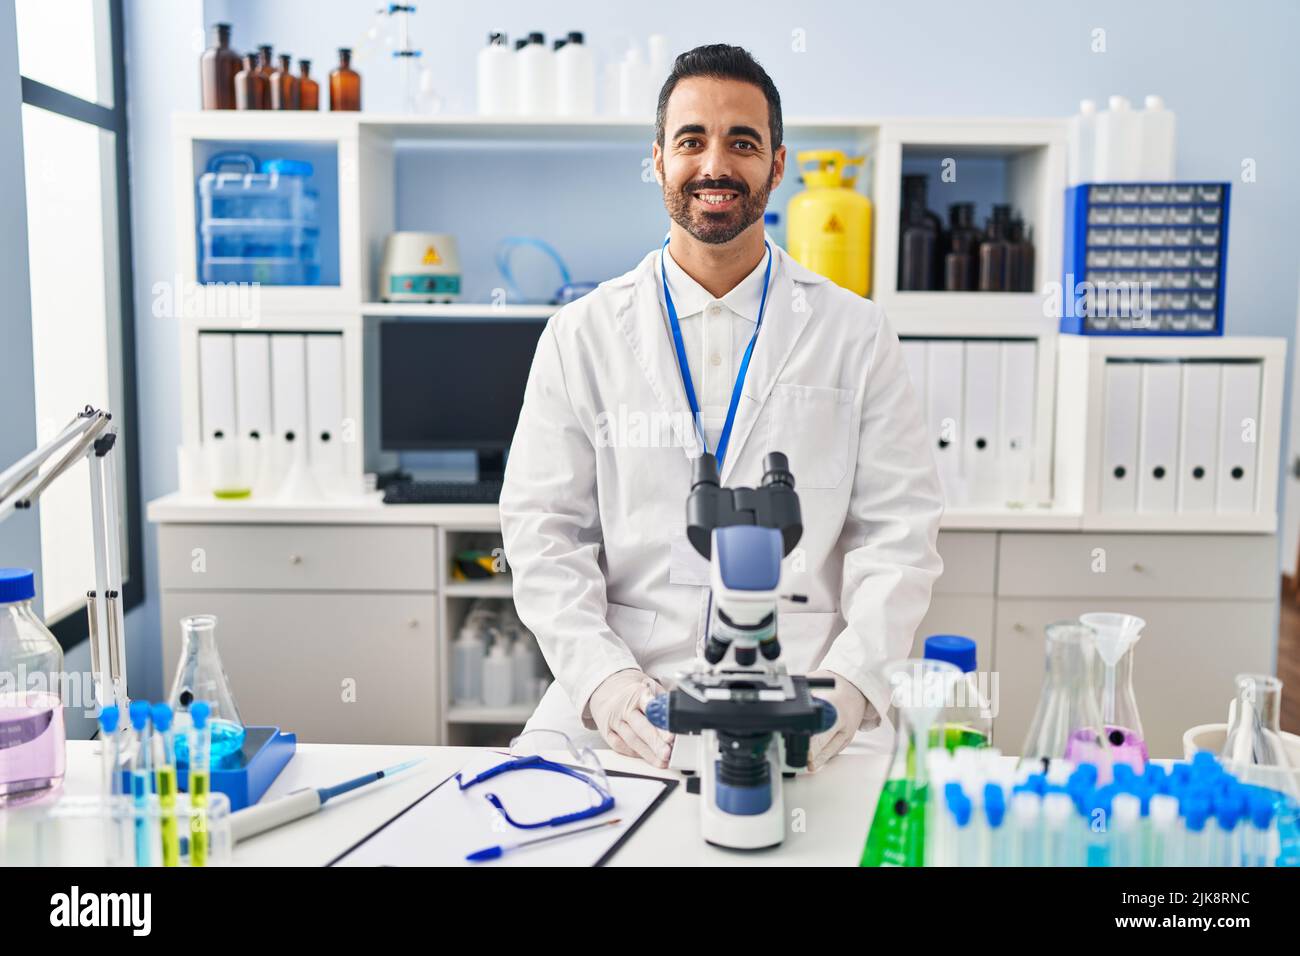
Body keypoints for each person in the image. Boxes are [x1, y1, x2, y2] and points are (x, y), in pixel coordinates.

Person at [500, 44, 943, 770]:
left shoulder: (855, 334)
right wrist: (605, 683)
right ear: (658, 160)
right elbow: (543, 534)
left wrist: (855, 683)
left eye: (742, 142)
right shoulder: (580, 336)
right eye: (691, 140)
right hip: (625, 699)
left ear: (776, 164)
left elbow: (899, 531)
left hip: (808, 695)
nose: (715, 165)